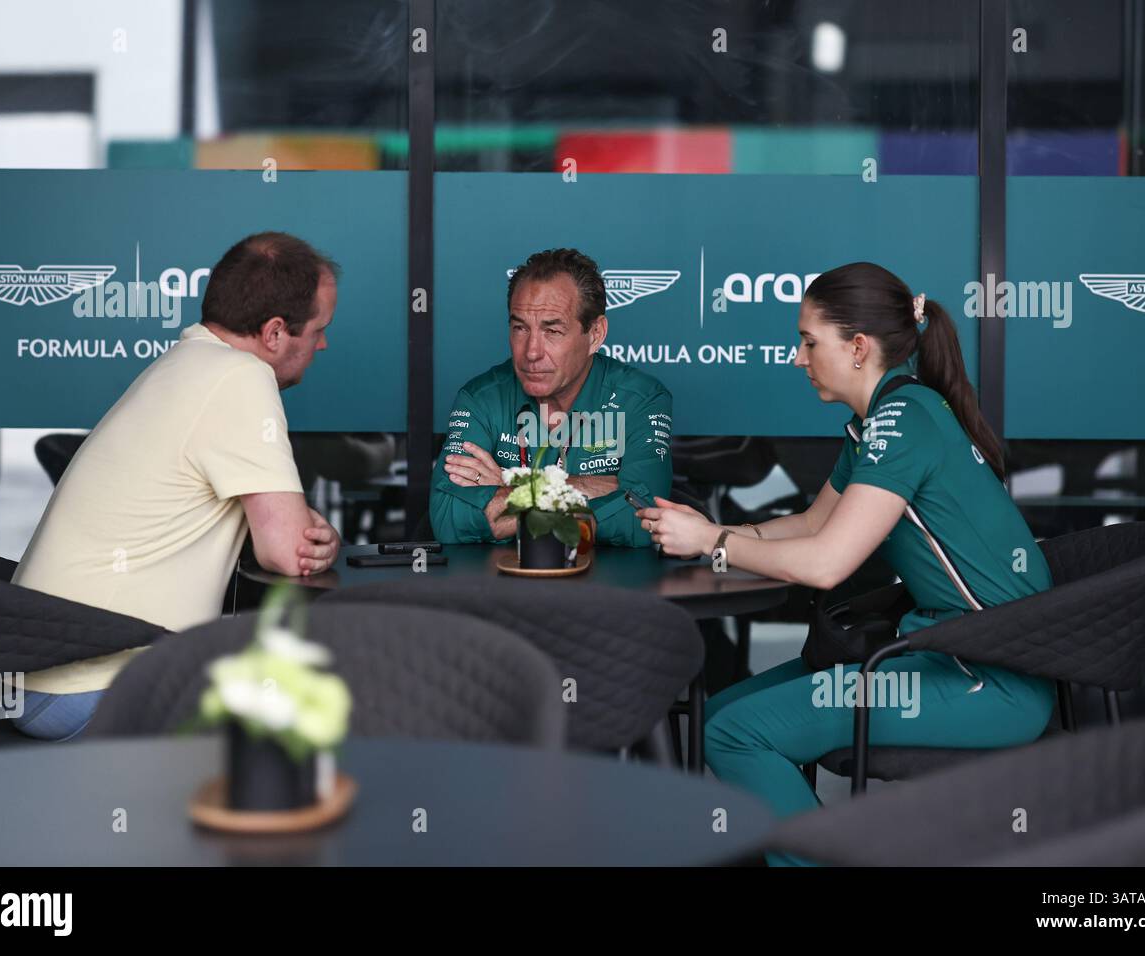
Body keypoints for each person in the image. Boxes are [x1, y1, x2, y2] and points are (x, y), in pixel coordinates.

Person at [635, 262, 1055, 863]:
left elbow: (827, 562)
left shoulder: (904, 422)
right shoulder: (880, 420)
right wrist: (707, 528)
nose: (798, 358)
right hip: (939, 652)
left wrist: (712, 543)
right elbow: (812, 523)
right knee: (722, 711)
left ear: (858, 347)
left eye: (809, 342)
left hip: (989, 676)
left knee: (736, 734)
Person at [10, 232, 343, 740]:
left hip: (50, 676)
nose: (323, 344)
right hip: (90, 687)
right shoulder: (239, 378)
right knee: (320, 704)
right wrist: (314, 537)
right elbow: (287, 552)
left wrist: (293, 528)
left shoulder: (188, 362)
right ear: (275, 332)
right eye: (319, 329)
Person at [430, 248, 672, 546]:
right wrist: (596, 492)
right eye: (520, 328)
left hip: (609, 587)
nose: (531, 352)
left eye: (552, 331)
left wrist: (510, 486)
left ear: (595, 334)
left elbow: (643, 515)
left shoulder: (641, 398)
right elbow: (447, 516)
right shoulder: (480, 398)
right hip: (502, 586)